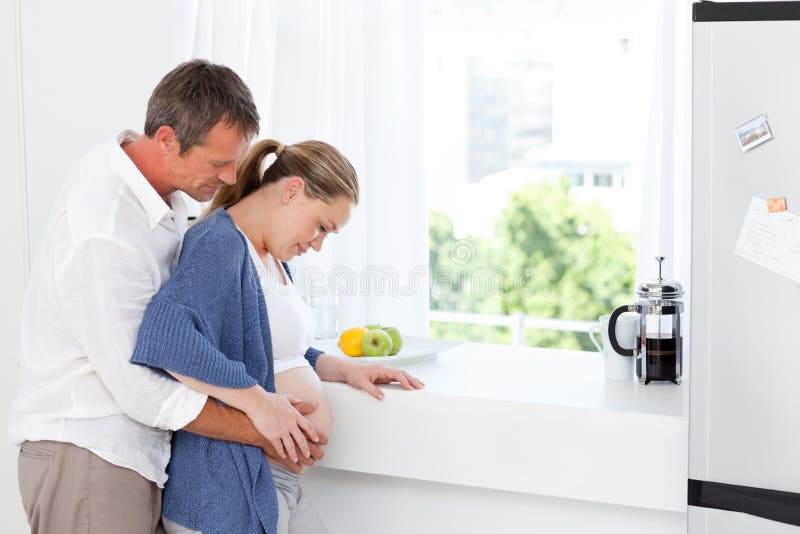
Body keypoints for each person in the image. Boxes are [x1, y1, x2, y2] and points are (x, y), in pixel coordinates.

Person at [8, 59, 325, 534]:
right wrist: (263, 422)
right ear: (166, 140)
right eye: (218, 163)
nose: (228, 177)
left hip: (137, 458)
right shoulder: (106, 229)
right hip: (92, 454)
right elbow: (140, 385)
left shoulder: (167, 203)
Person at [130, 139, 424, 534]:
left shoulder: (274, 259)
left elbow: (277, 351)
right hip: (226, 489)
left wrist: (346, 369)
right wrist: (260, 404)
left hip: (275, 481)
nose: (318, 244)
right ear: (293, 191)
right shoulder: (219, 244)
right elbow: (167, 337)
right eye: (321, 226)